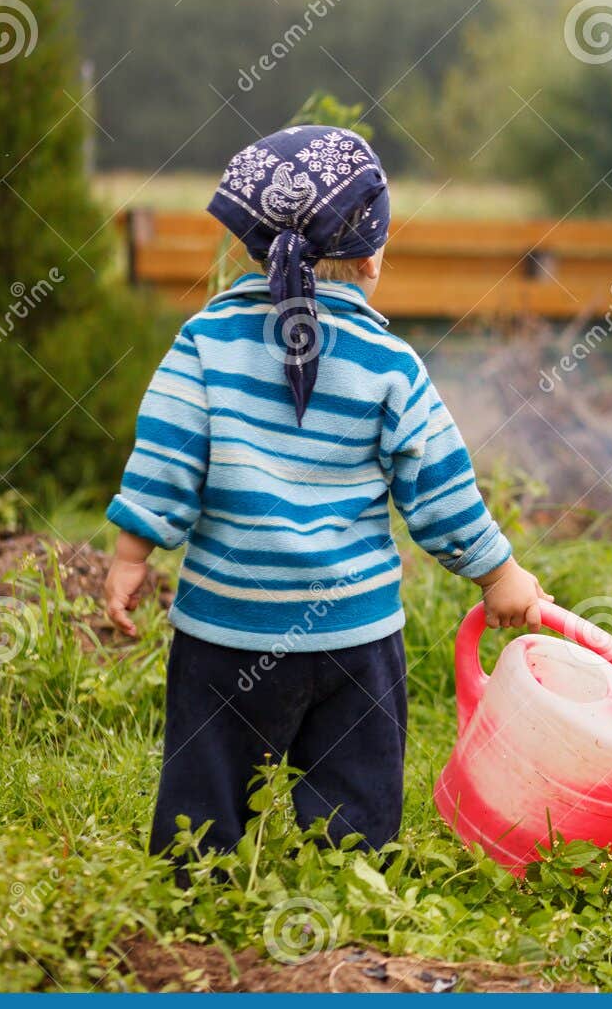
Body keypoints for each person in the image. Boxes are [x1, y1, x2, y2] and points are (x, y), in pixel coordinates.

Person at [101, 125, 547, 858]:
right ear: (372, 256)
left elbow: (166, 450)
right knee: (355, 788)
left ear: (250, 243)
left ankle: (194, 882)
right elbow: (438, 485)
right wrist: (499, 573)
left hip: (227, 629)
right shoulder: (388, 362)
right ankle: (344, 881)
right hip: (354, 635)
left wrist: (130, 555)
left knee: (206, 784)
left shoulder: (206, 341)